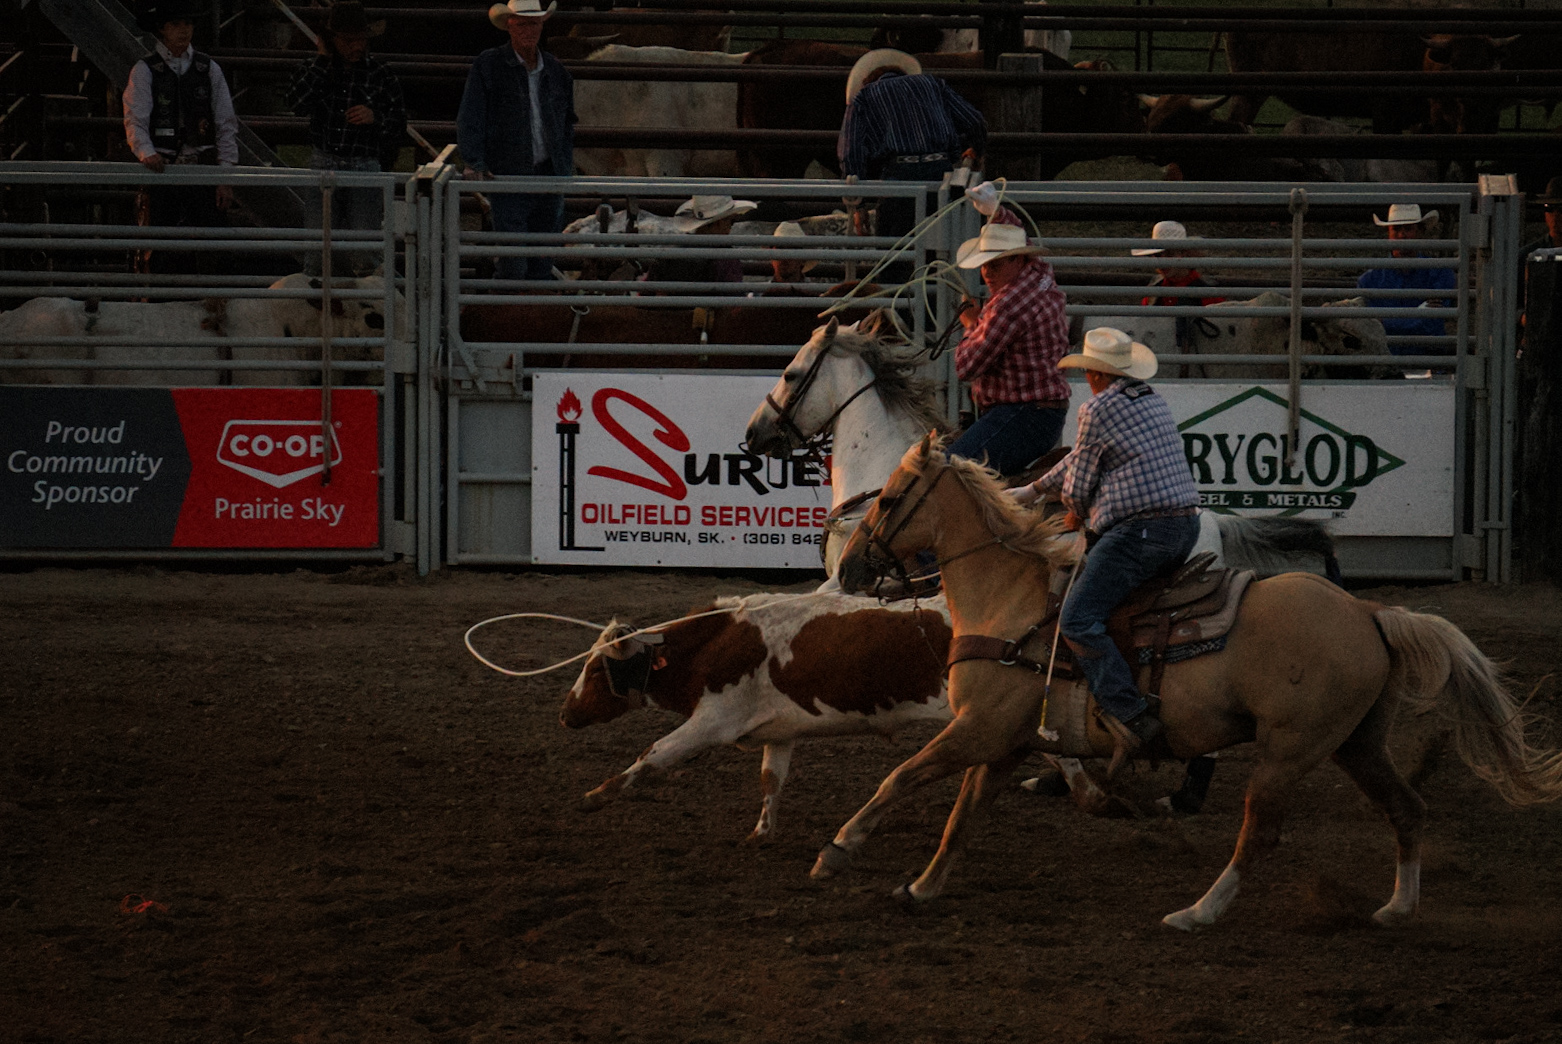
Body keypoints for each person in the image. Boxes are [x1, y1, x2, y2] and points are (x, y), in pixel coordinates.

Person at [1010, 327, 1201, 766]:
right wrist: (1033, 489)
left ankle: (1129, 713)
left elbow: (1078, 487)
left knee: (1077, 619)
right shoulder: (1149, 399)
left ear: (1094, 374)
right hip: (1182, 526)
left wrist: (1071, 509)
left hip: (1139, 533)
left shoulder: (1096, 409)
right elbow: (1081, 458)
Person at [838, 49, 985, 281]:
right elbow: (975, 121)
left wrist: (858, 203)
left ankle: (897, 312)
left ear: (869, 80)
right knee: (945, 259)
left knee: (895, 260)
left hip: (899, 180)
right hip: (941, 176)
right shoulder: (933, 84)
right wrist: (975, 149)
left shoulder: (864, 97)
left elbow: (850, 151)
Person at [457, 0, 575, 281]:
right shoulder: (490, 65)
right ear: (509, 26)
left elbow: (567, 121)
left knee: (541, 260)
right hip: (509, 175)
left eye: (533, 24)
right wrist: (474, 160)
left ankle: (524, 316)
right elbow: (471, 115)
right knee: (515, 261)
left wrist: (563, 163)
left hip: (546, 174)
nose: (528, 30)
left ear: (541, 26)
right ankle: (512, 315)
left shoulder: (556, 71)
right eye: (522, 24)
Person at [286, 1, 406, 276]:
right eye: (349, 40)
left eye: (360, 40)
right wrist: (322, 60)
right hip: (330, 161)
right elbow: (297, 104)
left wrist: (375, 118)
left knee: (363, 253)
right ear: (333, 40)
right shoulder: (319, 69)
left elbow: (398, 124)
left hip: (358, 162)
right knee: (319, 251)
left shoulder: (381, 74)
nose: (356, 46)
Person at [947, 211, 1071, 478]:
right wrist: (995, 210)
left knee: (948, 472)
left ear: (1018, 258)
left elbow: (966, 367)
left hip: (1023, 415)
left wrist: (971, 323)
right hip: (1039, 414)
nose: (987, 272)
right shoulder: (1039, 275)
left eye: (996, 264)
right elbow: (1015, 230)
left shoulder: (1008, 305)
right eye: (984, 264)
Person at [123, 0, 238, 274]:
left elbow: (225, 123)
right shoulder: (145, 70)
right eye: (176, 24)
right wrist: (146, 151)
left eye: (187, 24)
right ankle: (157, 304)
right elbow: (134, 119)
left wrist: (224, 177)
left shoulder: (208, 68)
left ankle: (215, 303)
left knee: (217, 245)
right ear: (163, 29)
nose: (183, 30)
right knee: (158, 245)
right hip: (163, 168)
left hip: (202, 167)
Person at [1356, 203, 1458, 353]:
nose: (1402, 235)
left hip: (1427, 358)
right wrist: (1419, 313)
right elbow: (1369, 326)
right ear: (1389, 234)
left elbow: (1431, 322)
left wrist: (1384, 321)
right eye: (1396, 229)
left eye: (1408, 229)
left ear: (1420, 232)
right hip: (1390, 362)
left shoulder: (1441, 273)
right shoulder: (1368, 280)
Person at [644, 195, 754, 285]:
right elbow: (733, 302)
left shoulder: (668, 254)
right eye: (731, 222)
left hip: (669, 310)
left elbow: (646, 295)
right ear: (719, 223)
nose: (730, 228)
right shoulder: (726, 258)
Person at [1135, 220, 1225, 308]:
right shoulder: (1154, 289)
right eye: (1157, 255)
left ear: (1184, 254)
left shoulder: (1208, 294)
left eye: (1170, 254)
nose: (1162, 261)